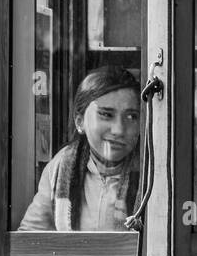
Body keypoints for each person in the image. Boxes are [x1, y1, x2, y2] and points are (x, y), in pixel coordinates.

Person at [19, 65, 141, 232]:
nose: (118, 130)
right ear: (79, 121)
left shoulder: (152, 173)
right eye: (106, 114)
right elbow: (30, 239)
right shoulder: (60, 167)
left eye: (131, 116)